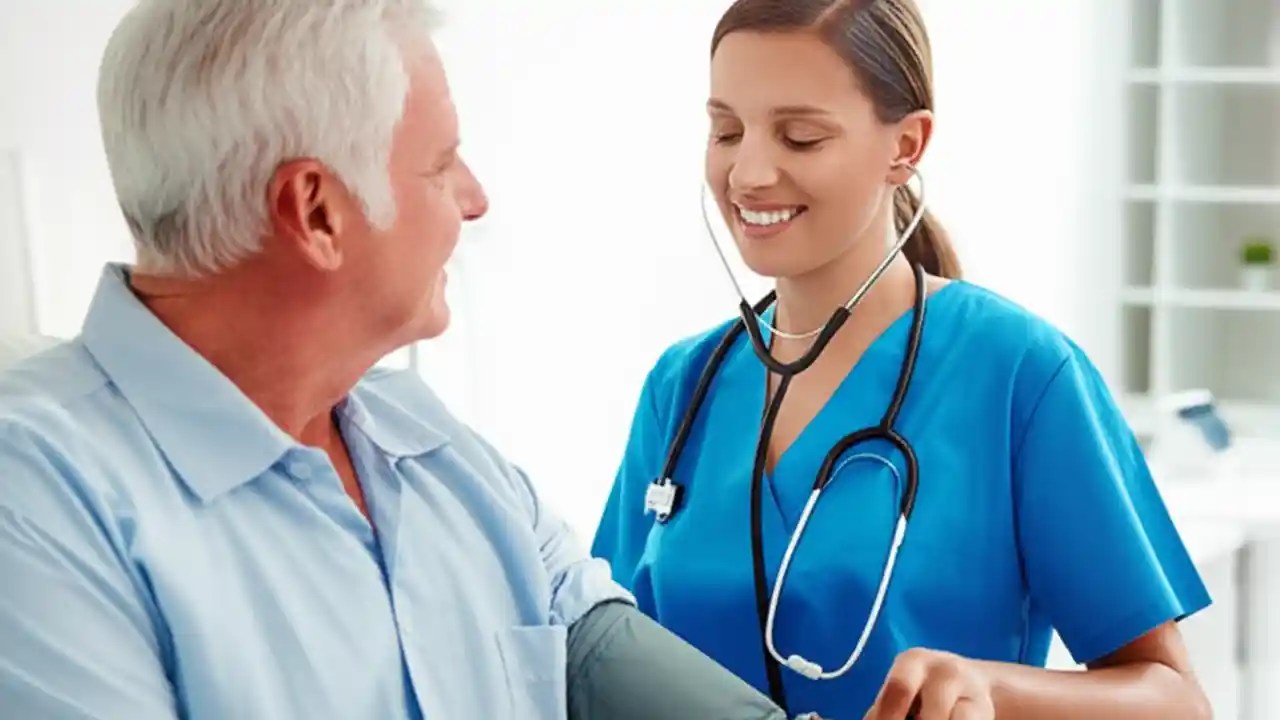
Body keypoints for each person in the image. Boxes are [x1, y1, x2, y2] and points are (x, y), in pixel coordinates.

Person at [0, 2, 791, 718]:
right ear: (316, 212)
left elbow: (583, 637)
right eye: (442, 164)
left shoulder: (426, 441)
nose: (475, 199)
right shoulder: (37, 499)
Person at [591, 1, 1215, 719]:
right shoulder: (685, 385)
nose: (748, 172)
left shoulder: (1018, 375)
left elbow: (1175, 702)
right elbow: (606, 652)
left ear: (907, 145)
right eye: (726, 130)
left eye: (800, 137)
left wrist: (991, 689)